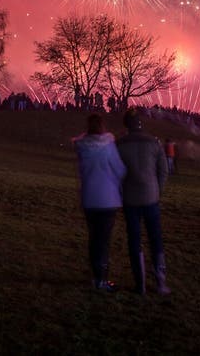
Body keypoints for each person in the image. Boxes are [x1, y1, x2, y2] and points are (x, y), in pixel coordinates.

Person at [116, 108, 170, 295]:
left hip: (130, 199)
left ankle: (141, 284)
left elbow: (116, 174)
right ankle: (161, 283)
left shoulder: (120, 145)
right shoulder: (154, 143)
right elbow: (163, 171)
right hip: (151, 198)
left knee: (134, 241)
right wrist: (157, 190)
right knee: (155, 239)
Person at [73, 113, 127, 291]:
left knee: (94, 238)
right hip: (107, 199)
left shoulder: (81, 147)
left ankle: (96, 277)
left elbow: (81, 171)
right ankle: (102, 280)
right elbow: (119, 169)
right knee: (103, 240)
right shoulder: (108, 146)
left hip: (89, 198)